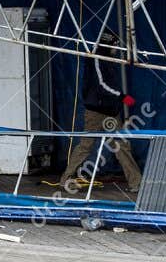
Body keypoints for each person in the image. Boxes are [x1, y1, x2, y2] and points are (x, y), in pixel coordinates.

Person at [60, 33, 143, 193]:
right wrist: (121, 96)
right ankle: (65, 179)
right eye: (114, 45)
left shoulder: (107, 60)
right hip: (96, 112)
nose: (116, 49)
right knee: (86, 145)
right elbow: (101, 85)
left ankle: (136, 182)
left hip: (111, 111)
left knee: (121, 146)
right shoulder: (96, 58)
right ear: (108, 44)